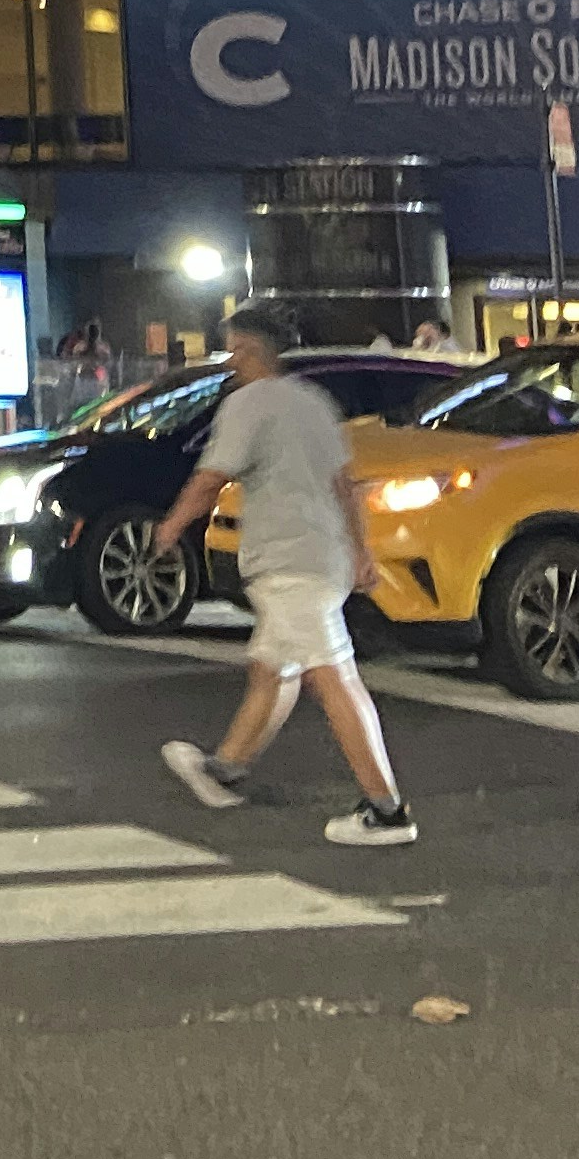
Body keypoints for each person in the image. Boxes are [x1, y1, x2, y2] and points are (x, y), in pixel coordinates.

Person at [153, 310, 417, 848]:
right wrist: (360, 552)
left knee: (334, 679)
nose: (229, 362)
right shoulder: (314, 403)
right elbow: (344, 484)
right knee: (272, 671)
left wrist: (169, 529)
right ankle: (223, 770)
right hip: (324, 558)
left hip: (288, 563)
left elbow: (210, 480)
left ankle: (387, 811)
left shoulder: (247, 404)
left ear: (251, 350)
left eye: (232, 351)